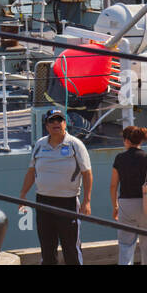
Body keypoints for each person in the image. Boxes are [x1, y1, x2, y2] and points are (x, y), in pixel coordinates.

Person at [20, 108, 92, 265]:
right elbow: (31, 172)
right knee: (47, 247)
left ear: (65, 123)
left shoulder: (75, 145)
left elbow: (87, 174)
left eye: (59, 120)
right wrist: (23, 196)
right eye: (51, 121)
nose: (56, 124)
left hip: (68, 202)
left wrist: (86, 201)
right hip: (43, 202)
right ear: (46, 126)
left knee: (71, 248)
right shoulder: (39, 145)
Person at [110, 124, 147, 265]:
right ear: (140, 140)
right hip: (145, 205)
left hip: (125, 205)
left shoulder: (119, 158)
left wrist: (115, 206)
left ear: (126, 140)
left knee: (125, 244)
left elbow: (113, 185)